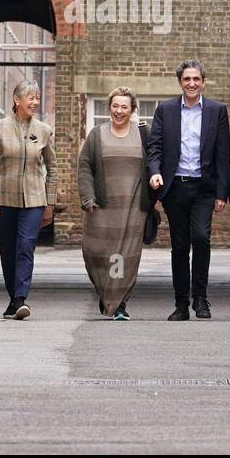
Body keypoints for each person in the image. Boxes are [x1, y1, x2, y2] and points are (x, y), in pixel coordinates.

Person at [147, 59, 230, 321]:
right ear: (180, 82)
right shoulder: (166, 110)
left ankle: (201, 299)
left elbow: (222, 152)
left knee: (202, 239)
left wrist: (221, 193)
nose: (192, 83)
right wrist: (155, 171)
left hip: (204, 188)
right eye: (187, 79)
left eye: (196, 79)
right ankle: (181, 304)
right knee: (180, 246)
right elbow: (155, 146)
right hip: (176, 187)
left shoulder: (217, 110)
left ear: (203, 82)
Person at [0, 80, 58, 320]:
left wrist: (50, 203)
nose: (35, 102)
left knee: (26, 247)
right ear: (17, 100)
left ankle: (20, 298)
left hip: (35, 199)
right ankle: (13, 298)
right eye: (30, 98)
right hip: (3, 198)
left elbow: (52, 168)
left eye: (37, 98)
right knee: (8, 251)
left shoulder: (43, 130)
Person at [79, 87, 152, 320]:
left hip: (133, 208)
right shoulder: (97, 134)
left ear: (132, 110)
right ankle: (106, 293)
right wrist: (88, 197)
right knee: (96, 253)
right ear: (109, 107)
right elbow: (85, 167)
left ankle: (119, 304)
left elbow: (155, 164)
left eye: (124, 107)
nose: (119, 111)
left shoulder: (143, 133)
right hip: (101, 207)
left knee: (126, 256)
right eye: (115, 106)